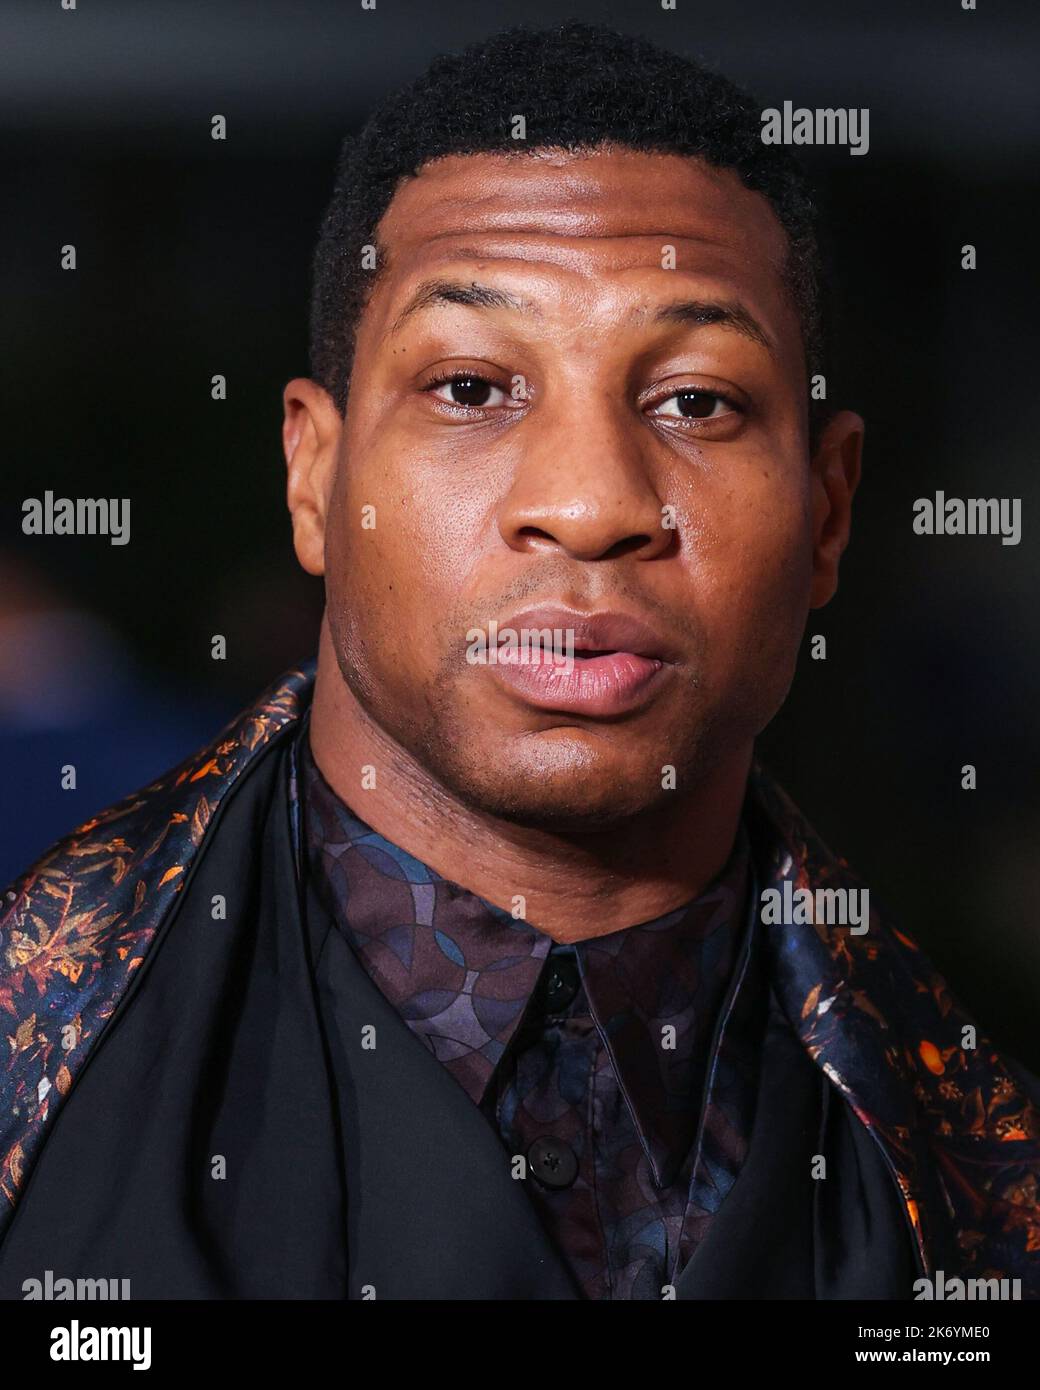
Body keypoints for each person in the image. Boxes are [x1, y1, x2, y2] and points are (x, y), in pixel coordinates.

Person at [1, 21, 1037, 1301]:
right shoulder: (31, 1049)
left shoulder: (982, 1166)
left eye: (695, 401)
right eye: (473, 387)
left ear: (825, 512)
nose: (590, 501)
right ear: (313, 476)